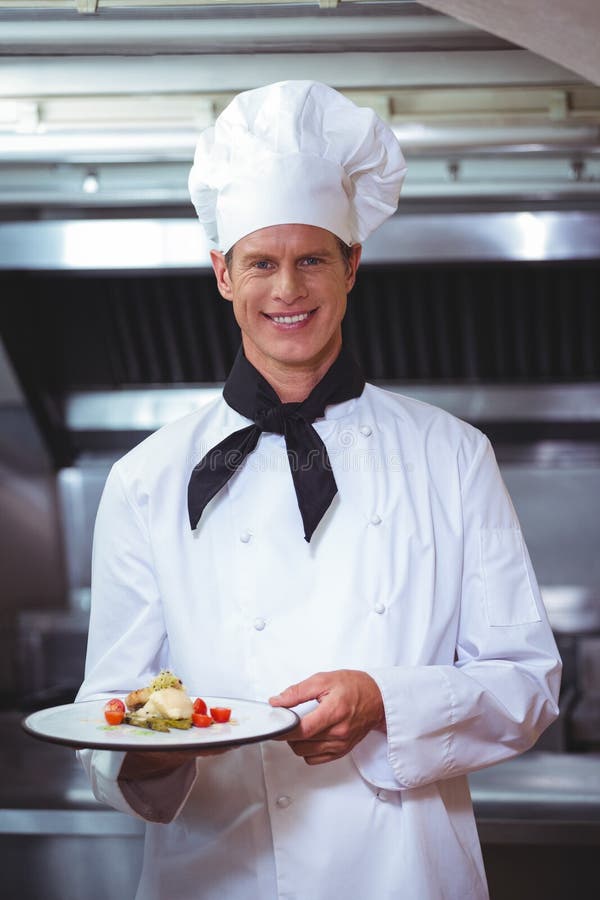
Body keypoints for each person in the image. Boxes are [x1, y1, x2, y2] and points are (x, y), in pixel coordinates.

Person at [76, 80, 561, 900]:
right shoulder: (146, 478)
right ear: (222, 273)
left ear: (352, 265)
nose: (288, 291)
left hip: (404, 874)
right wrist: (145, 752)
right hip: (216, 876)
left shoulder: (452, 456)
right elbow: (107, 712)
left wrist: (384, 702)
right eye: (261, 263)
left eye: (311, 260)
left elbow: (527, 684)